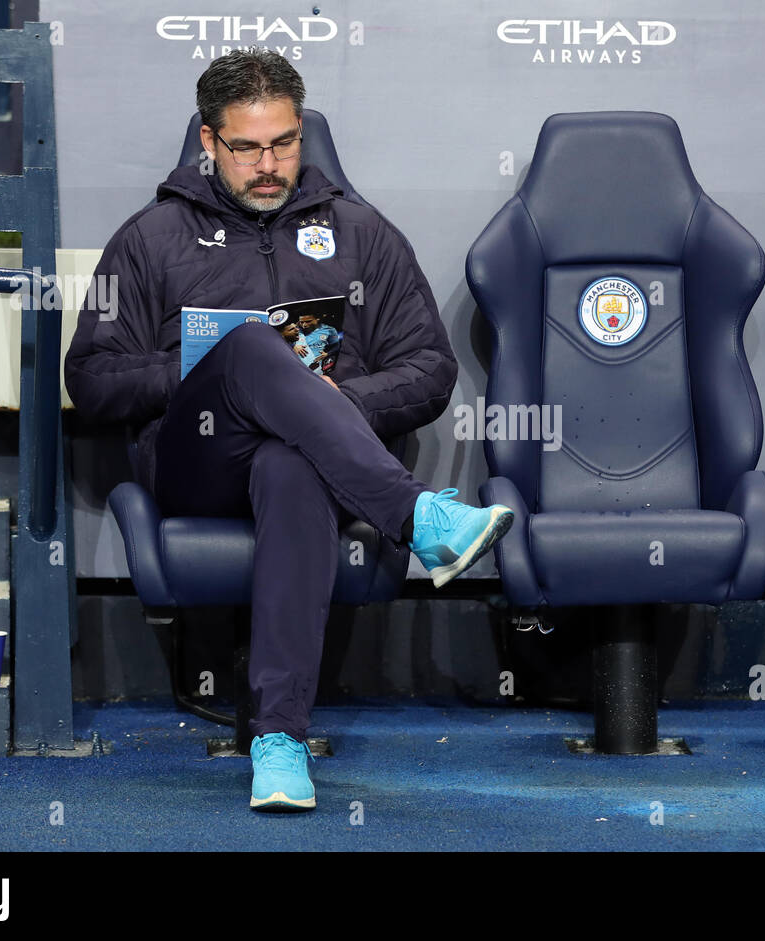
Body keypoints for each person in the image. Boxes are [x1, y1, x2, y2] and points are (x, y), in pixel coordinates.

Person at [64, 49, 512, 813]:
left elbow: (430, 369)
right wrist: (201, 370)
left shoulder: (363, 234)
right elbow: (92, 378)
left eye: (284, 142)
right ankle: (419, 517)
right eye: (246, 147)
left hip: (314, 469)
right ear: (209, 143)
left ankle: (278, 740)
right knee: (247, 349)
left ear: (301, 132)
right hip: (194, 462)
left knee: (290, 461)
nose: (268, 165)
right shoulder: (151, 238)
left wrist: (333, 400)